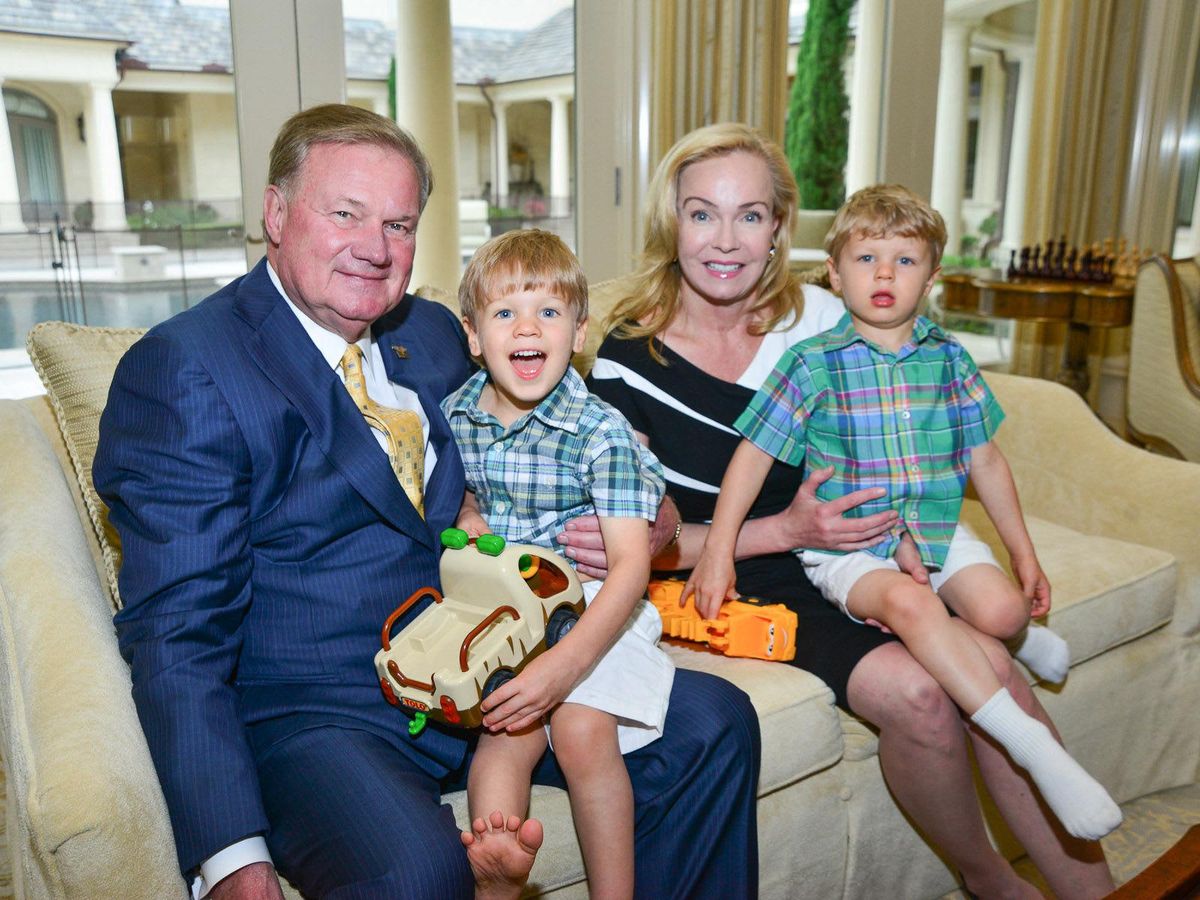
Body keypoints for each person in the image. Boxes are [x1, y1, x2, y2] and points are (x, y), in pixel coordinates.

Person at [94, 104, 760, 900]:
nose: (376, 249)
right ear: (275, 213)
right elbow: (177, 634)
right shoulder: (186, 368)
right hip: (326, 713)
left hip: (497, 662)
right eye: (346, 214)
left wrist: (641, 519)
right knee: (418, 875)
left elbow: (554, 441)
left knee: (714, 724)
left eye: (400, 224)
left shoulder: (437, 333)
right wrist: (231, 858)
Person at [566, 122, 1116, 898]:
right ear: (672, 221)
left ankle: (1098, 891)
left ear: (779, 228)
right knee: (923, 695)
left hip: (867, 552)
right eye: (702, 213)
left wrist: (920, 539)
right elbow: (651, 546)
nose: (725, 239)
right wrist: (786, 529)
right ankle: (990, 878)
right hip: (750, 577)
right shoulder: (627, 359)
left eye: (750, 215)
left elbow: (926, 425)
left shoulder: (824, 319)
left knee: (989, 665)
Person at [684, 183, 1121, 841]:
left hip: (939, 527)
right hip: (850, 548)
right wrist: (718, 551)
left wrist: (1023, 554)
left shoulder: (948, 358)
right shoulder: (809, 363)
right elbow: (750, 457)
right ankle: (1031, 745)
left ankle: (1027, 640)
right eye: (865, 259)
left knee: (1002, 612)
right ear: (834, 273)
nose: (884, 274)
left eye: (905, 260)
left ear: (933, 275)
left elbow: (988, 461)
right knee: (913, 607)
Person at [443, 228, 674, 898]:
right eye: (506, 311)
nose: (528, 327)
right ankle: (495, 857)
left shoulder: (602, 433)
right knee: (506, 728)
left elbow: (632, 567)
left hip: (603, 602)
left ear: (578, 333)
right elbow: (452, 492)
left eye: (549, 312)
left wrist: (565, 666)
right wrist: (464, 514)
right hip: (512, 606)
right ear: (473, 334)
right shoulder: (457, 415)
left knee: (578, 728)